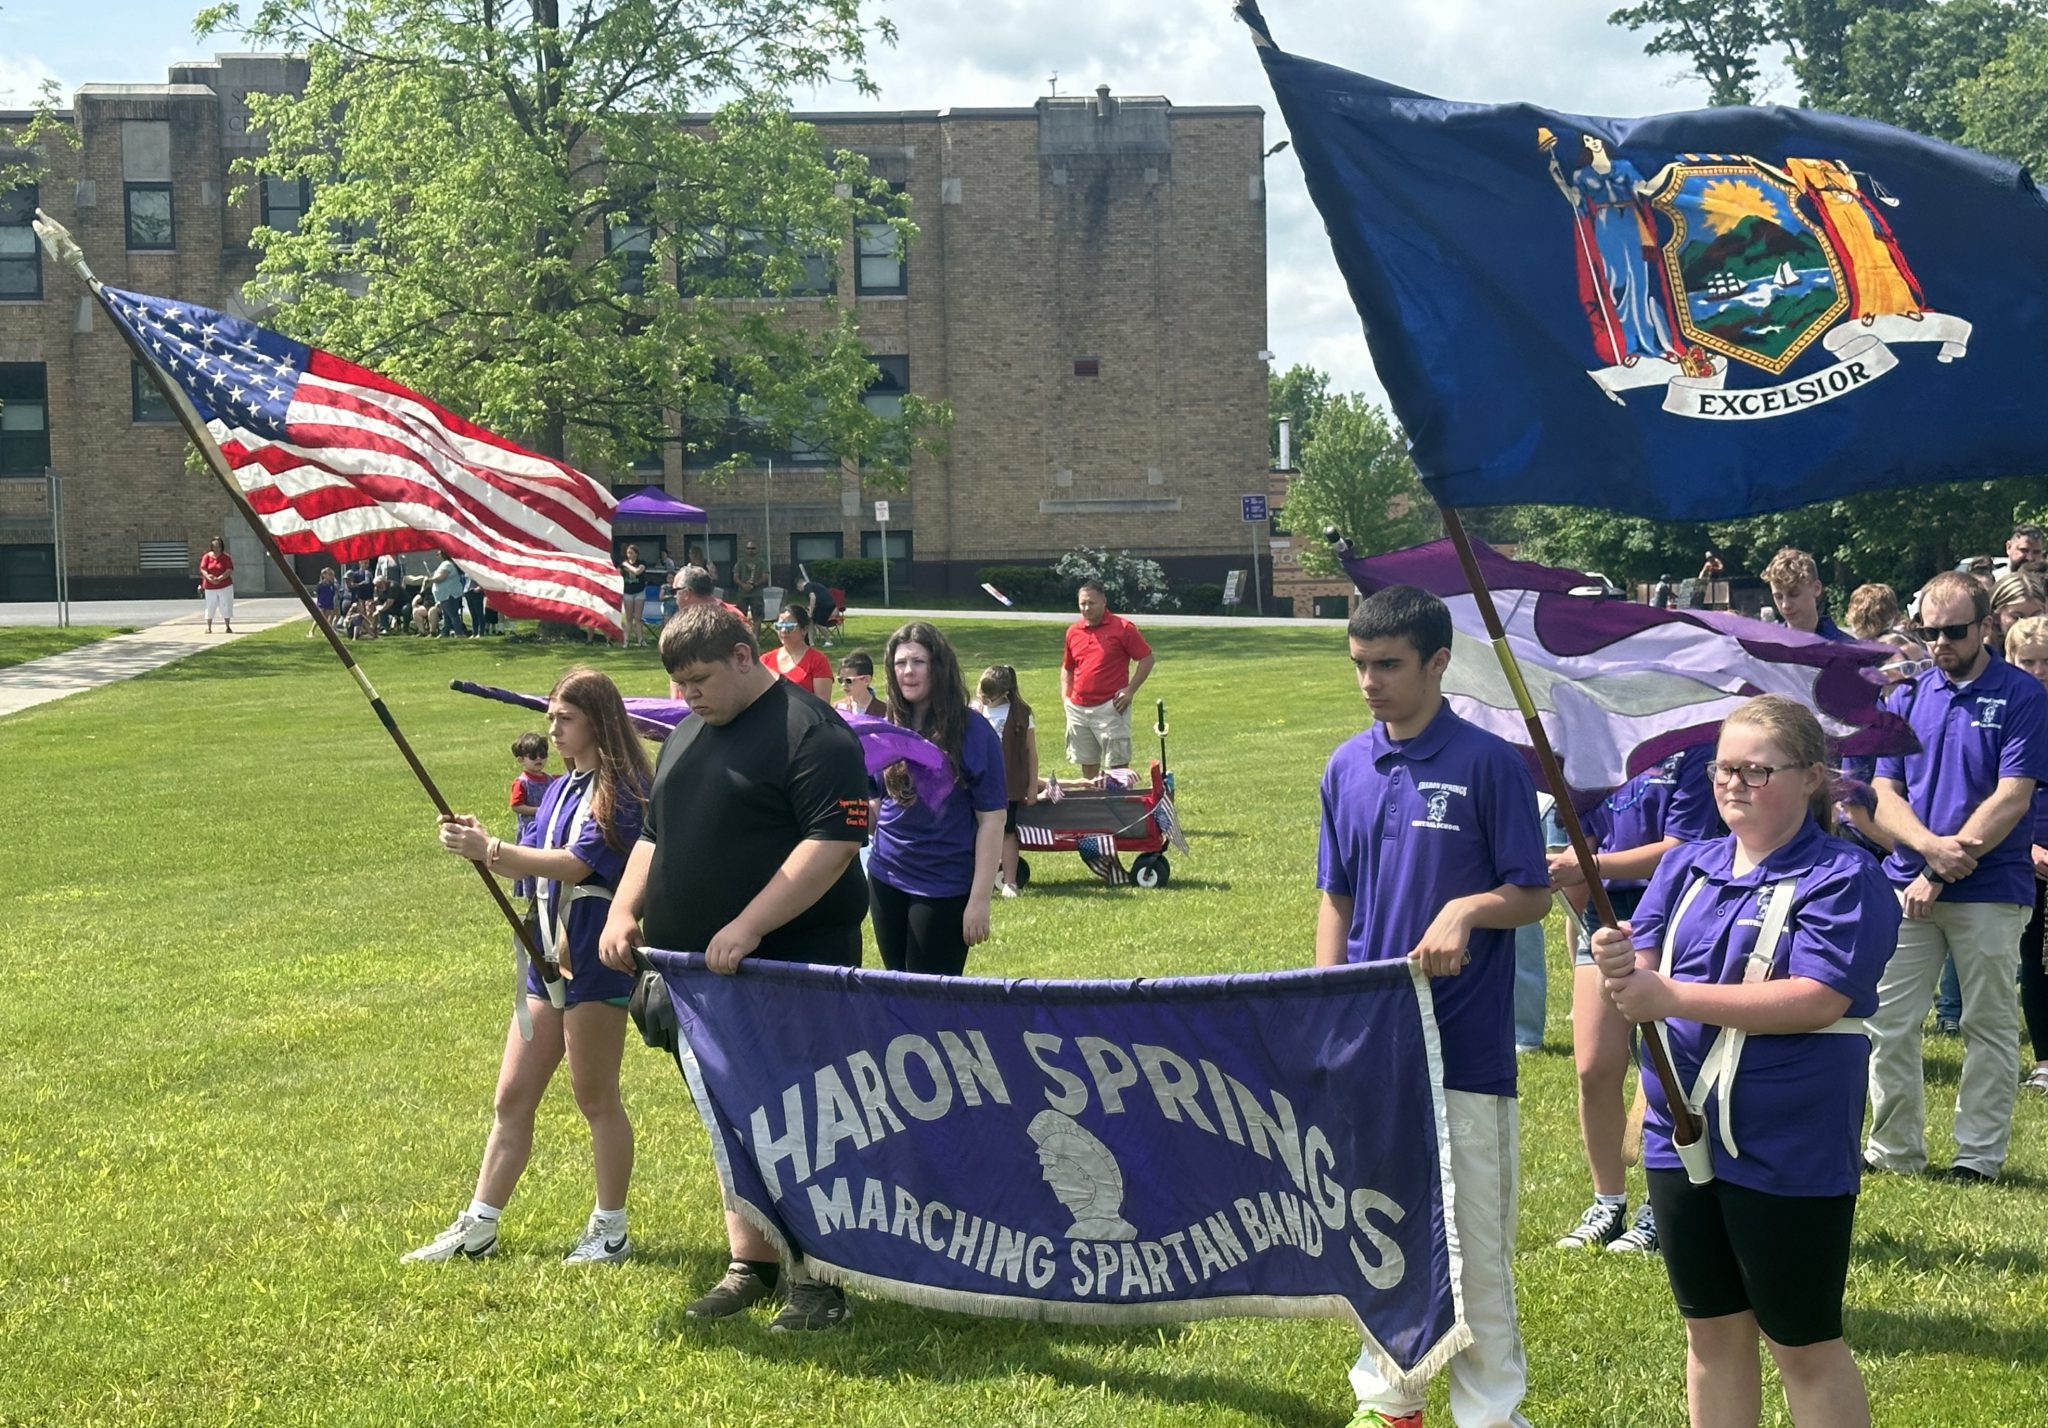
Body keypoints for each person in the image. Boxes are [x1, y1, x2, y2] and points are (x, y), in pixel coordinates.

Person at [1589, 694, 1896, 1428]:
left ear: (1812, 776)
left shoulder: (1844, 876)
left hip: (1786, 1139)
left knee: (1803, 1341)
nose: (1734, 784)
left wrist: (1672, 996)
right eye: (1726, 768)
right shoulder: (1687, 865)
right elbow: (1647, 969)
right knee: (1711, 1332)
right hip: (1680, 1130)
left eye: (1757, 770)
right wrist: (1620, 962)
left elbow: (1820, 997)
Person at [597, 603, 871, 1333]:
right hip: (693, 980)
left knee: (802, 1123)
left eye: (702, 679)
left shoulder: (811, 733)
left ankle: (820, 1281)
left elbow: (833, 844)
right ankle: (750, 1264)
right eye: (680, 683)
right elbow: (654, 838)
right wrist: (624, 912)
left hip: (789, 967)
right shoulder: (688, 734)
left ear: (747, 657)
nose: (690, 694)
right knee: (727, 1122)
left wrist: (749, 926)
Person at [1314, 584, 1549, 1428]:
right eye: (1359, 666)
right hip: (1374, 1051)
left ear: (1437, 663)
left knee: (1472, 1246)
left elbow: (1531, 895)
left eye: (1387, 665)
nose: (1370, 683)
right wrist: (1326, 1000)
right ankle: (1391, 1400)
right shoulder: (1345, 765)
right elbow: (1335, 895)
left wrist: (1467, 909)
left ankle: (1491, 1414)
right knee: (1381, 1232)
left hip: (1463, 1050)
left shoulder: (1490, 766)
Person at [407, 667, 653, 1267]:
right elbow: (530, 866)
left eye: (565, 719)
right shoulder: (562, 787)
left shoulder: (622, 791)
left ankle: (611, 1229)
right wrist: (483, 840)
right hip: (542, 958)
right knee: (512, 1096)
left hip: (594, 963)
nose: (554, 730)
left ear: (598, 719)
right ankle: (479, 1225)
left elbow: (573, 865)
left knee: (595, 1097)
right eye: (551, 719)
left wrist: (489, 852)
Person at [1864, 571, 2048, 1182]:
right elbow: (1884, 790)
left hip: (1992, 888)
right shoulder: (1906, 695)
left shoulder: (2022, 694)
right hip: (1908, 878)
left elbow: (2013, 797)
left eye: (1953, 631)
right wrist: (1925, 852)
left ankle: (1978, 1157)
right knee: (1887, 1020)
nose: (1940, 642)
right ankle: (1895, 1152)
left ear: (1985, 626)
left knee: (1987, 1025)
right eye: (1928, 630)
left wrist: (1943, 867)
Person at [1550, 744, 1723, 1255]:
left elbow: (1681, 847)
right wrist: (1569, 860)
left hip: (1675, 912)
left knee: (1668, 1069)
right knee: (1593, 1070)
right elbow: (1586, 830)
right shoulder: (1601, 746)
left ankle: (1660, 1205)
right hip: (1605, 915)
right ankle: (1608, 1201)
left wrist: (1589, 863)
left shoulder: (1696, 748)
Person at [868, 623, 1007, 973]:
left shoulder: (973, 731)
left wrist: (979, 900)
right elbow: (874, 801)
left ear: (938, 667)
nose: (908, 671)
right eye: (900, 663)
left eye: (918, 661)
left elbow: (992, 819)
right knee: (896, 988)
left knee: (932, 1003)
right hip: (886, 876)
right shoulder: (886, 726)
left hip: (944, 886)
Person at [2006, 614, 2048, 1096]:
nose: (2038, 671)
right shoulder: (2013, 715)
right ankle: (2044, 1058)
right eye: (2027, 662)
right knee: (2036, 961)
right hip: (2028, 852)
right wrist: (2029, 846)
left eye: (2046, 662)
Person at [1061, 580, 1155, 780]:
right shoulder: (1073, 631)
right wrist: (1066, 699)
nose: (1086, 608)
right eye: (1082, 603)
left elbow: (1147, 658)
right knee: (1087, 763)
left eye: (1091, 603)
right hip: (1078, 708)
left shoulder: (1123, 628)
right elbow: (1068, 667)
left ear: (1104, 601)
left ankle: (1117, 806)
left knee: (1117, 765)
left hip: (1111, 706)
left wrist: (1130, 690)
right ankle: (1092, 805)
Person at [973, 664, 1039, 899]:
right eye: (983, 694)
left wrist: (1032, 787)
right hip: (976, 780)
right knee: (974, 830)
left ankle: (1010, 881)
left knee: (1007, 831)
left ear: (1005, 692)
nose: (986, 699)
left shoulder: (1021, 713)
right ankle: (977, 880)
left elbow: (1031, 751)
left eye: (990, 696)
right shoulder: (975, 710)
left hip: (1007, 783)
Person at [507, 731, 555, 901]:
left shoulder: (550, 779)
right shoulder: (522, 782)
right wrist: (539, 810)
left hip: (548, 828)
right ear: (521, 760)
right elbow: (516, 806)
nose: (538, 759)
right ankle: (531, 893)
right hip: (529, 829)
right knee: (529, 861)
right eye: (533, 756)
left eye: (543, 754)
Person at [1760, 547, 1845, 641]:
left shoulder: (1847, 648)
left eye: (1794, 594)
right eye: (1778, 597)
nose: (1785, 605)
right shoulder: (1769, 647)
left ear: (1816, 588)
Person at [761, 602, 833, 700]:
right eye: (779, 626)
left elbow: (823, 704)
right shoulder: (765, 660)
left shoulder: (818, 661)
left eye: (789, 626)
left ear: (804, 629)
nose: (783, 630)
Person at [1986, 569, 2046, 652]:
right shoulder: (1983, 657)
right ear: (1996, 618)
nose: (2027, 626)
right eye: (2018, 617)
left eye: (2035, 616)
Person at [833, 649, 887, 718]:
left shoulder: (883, 711)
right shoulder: (838, 708)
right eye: (840, 680)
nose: (843, 684)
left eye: (849, 681)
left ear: (866, 680)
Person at [198, 536, 235, 634]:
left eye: (218, 547)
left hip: (225, 585)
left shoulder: (226, 557)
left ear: (221, 547)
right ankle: (209, 627)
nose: (216, 549)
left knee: (226, 604)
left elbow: (229, 569)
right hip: (210, 586)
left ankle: (227, 626)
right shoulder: (207, 556)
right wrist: (208, 577)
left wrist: (219, 578)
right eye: (214, 547)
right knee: (210, 606)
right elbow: (203, 568)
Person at [430, 557, 468, 638]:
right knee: (446, 615)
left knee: (453, 615)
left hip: (449, 594)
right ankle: (445, 632)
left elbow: (441, 577)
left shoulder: (447, 564)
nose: (437, 554)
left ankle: (459, 633)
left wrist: (430, 580)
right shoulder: (446, 564)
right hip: (445, 595)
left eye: (439, 553)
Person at [730, 539, 767, 621]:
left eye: (753, 548)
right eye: (748, 548)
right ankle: (742, 634)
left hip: (757, 594)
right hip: (742, 595)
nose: (750, 550)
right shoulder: (740, 562)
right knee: (740, 617)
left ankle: (756, 634)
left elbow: (765, 577)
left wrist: (754, 585)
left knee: (757, 618)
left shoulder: (762, 563)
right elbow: (735, 577)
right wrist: (743, 585)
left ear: (757, 549)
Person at [619, 545, 648, 647]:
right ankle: (626, 640)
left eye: (631, 552)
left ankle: (640, 640)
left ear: (636, 553)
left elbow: (637, 571)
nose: (629, 555)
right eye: (628, 553)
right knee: (628, 618)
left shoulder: (642, 563)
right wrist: (625, 566)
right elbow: (618, 574)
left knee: (638, 617)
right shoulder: (623, 565)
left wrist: (627, 566)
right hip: (628, 592)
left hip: (639, 592)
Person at [309, 566, 340, 638]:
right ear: (324, 575)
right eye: (329, 574)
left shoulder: (332, 584)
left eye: (331, 574)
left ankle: (326, 632)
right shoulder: (320, 584)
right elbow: (316, 592)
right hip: (322, 603)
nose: (331, 576)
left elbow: (335, 591)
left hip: (329, 603)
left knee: (328, 618)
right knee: (320, 618)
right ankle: (311, 631)